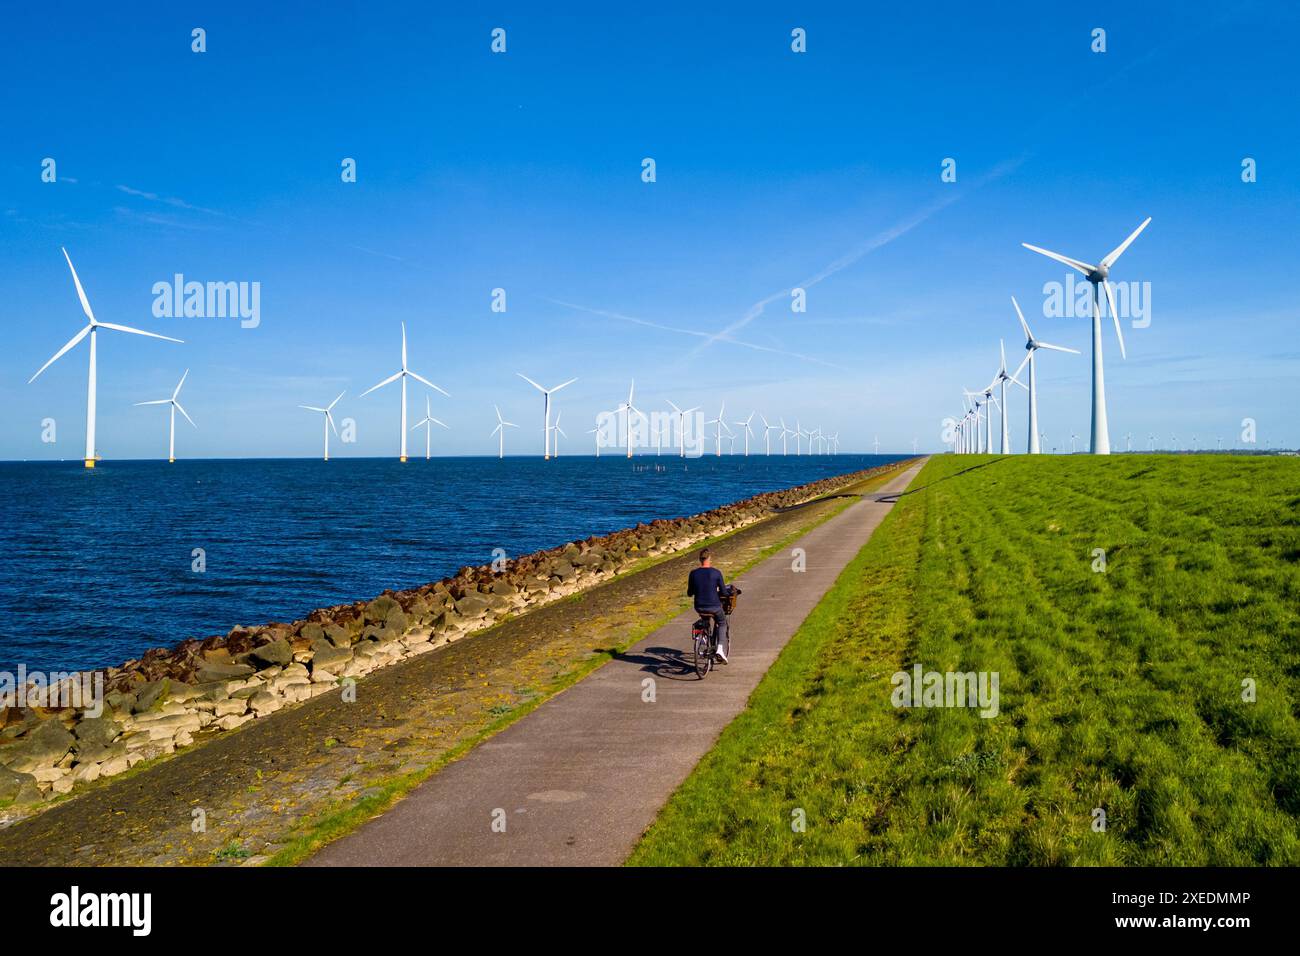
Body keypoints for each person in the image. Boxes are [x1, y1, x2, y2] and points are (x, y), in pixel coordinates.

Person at [687, 547, 730, 663]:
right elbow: (724, 592)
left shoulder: (693, 574)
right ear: (710, 558)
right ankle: (720, 650)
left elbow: (689, 593)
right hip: (714, 606)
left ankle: (703, 640)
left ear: (700, 559)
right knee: (722, 623)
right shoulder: (716, 573)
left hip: (699, 607)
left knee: (705, 620)